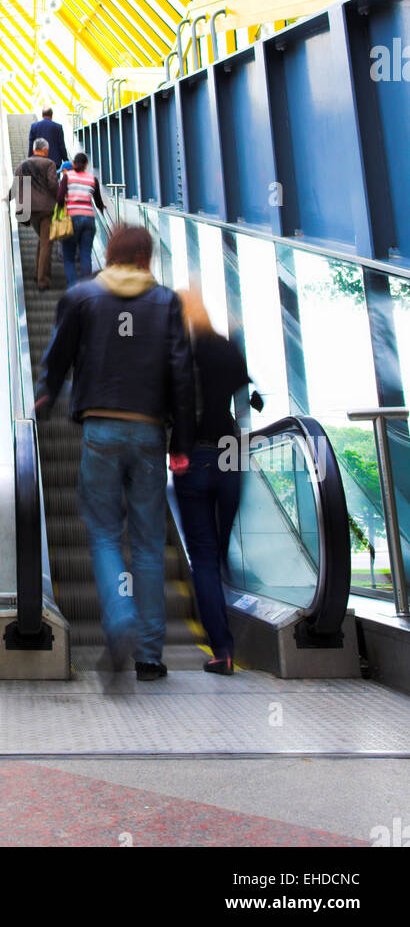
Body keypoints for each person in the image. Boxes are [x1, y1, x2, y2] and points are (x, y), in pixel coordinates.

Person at [35, 224, 195, 677]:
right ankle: (149, 655)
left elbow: (58, 354)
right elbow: (181, 375)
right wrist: (181, 444)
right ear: (145, 258)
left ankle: (120, 616)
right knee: (146, 544)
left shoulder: (83, 297)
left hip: (100, 429)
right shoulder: (166, 302)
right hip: (149, 432)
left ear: (108, 254)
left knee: (105, 535)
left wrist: (46, 395)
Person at [174, 289, 263, 676]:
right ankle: (235, 625)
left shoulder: (179, 354)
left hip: (194, 456)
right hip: (230, 452)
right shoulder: (227, 349)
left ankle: (223, 649)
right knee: (220, 550)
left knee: (204, 559)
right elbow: (250, 400)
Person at [9, 137, 58, 290]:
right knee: (46, 243)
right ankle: (42, 280)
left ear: (33, 149)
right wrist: (61, 199)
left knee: (42, 241)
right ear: (45, 150)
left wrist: (7, 197)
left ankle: (38, 273)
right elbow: (53, 185)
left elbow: (16, 185)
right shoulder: (49, 164)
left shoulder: (23, 164)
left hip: (29, 210)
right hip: (45, 209)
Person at [57, 151, 106, 288]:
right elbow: (98, 202)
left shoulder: (67, 177)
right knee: (86, 254)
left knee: (69, 257)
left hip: (72, 218)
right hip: (89, 219)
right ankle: (86, 288)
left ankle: (73, 288)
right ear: (86, 165)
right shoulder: (92, 179)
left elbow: (60, 198)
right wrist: (102, 208)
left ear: (73, 164)